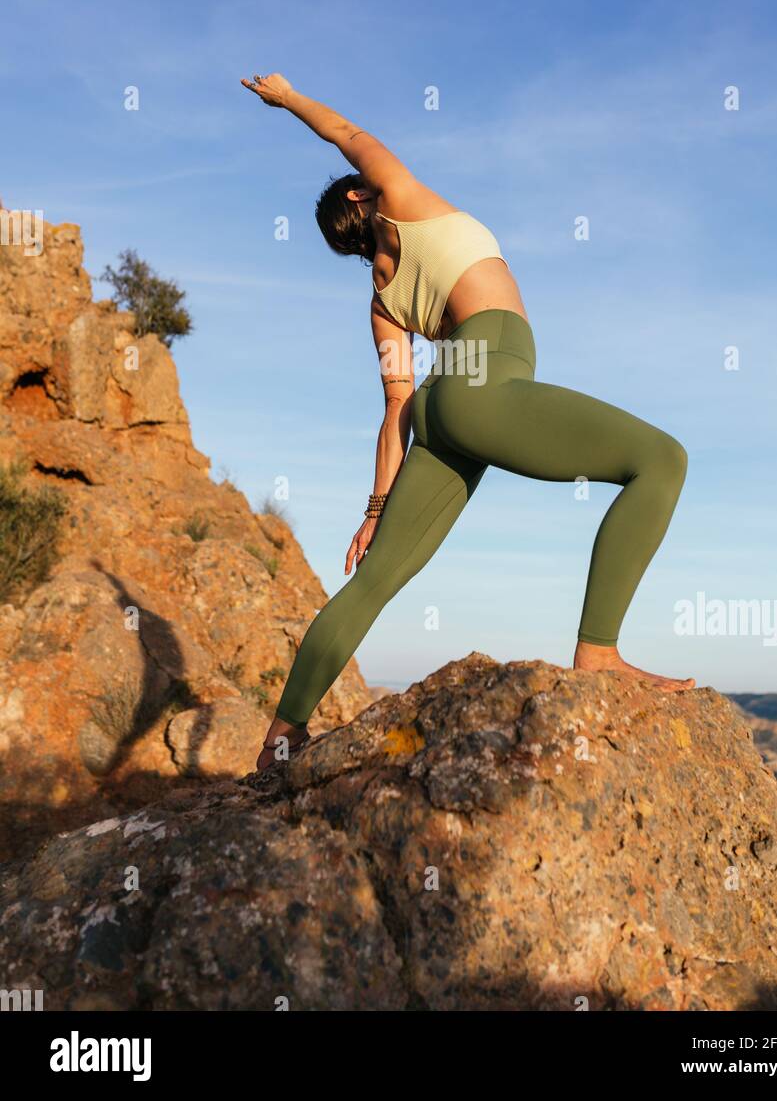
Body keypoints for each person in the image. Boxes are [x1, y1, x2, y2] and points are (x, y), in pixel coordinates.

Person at [241, 73, 693, 770]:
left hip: (440, 408)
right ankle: (598, 652)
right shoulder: (398, 197)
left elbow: (396, 409)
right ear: (360, 194)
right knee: (661, 460)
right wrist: (289, 97)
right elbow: (347, 134)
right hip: (485, 380)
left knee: (374, 580)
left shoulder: (382, 299)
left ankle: (280, 738)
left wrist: (376, 510)